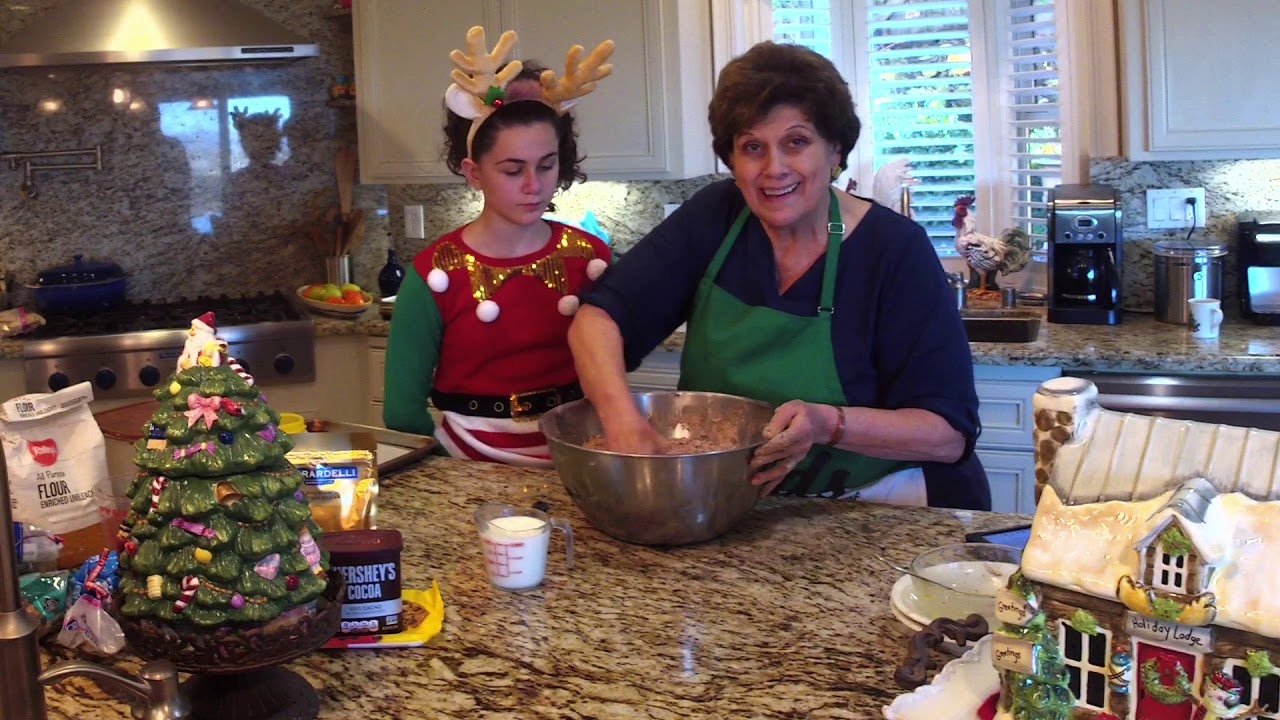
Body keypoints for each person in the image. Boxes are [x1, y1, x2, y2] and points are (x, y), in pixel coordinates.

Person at [569, 42, 989, 510]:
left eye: (796, 142)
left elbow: (947, 435)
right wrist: (624, 422)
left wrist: (828, 423)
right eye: (753, 147)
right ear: (732, 159)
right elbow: (599, 319)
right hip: (739, 506)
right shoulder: (716, 217)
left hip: (882, 504)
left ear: (834, 149)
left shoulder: (894, 250)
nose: (774, 169)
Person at [383, 27, 615, 467]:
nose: (534, 186)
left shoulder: (591, 259)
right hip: (468, 460)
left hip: (581, 452)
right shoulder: (436, 273)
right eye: (512, 170)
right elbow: (401, 411)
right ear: (474, 174)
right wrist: (444, 471)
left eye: (547, 166)